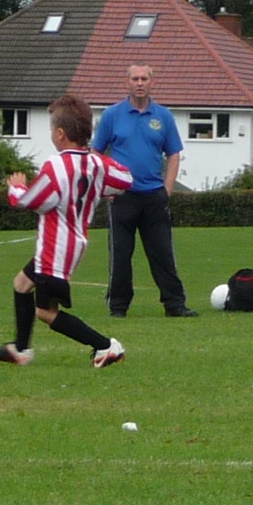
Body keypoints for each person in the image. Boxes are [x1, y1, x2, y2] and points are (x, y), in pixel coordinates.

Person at [0, 95, 133, 368]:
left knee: (45, 311)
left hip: (56, 247)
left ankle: (105, 345)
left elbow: (34, 202)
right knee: (21, 283)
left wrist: (16, 187)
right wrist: (103, 187)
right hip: (72, 243)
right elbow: (125, 179)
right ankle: (20, 349)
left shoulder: (56, 166)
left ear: (60, 134)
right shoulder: (96, 164)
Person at [91, 63, 197, 318]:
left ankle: (175, 305)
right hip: (122, 198)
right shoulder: (112, 115)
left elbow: (173, 154)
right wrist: (106, 186)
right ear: (127, 82)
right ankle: (118, 307)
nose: (140, 83)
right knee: (120, 255)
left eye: (144, 78)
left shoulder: (163, 116)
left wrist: (167, 188)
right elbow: (96, 153)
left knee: (162, 253)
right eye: (135, 78)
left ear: (152, 82)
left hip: (154, 196)